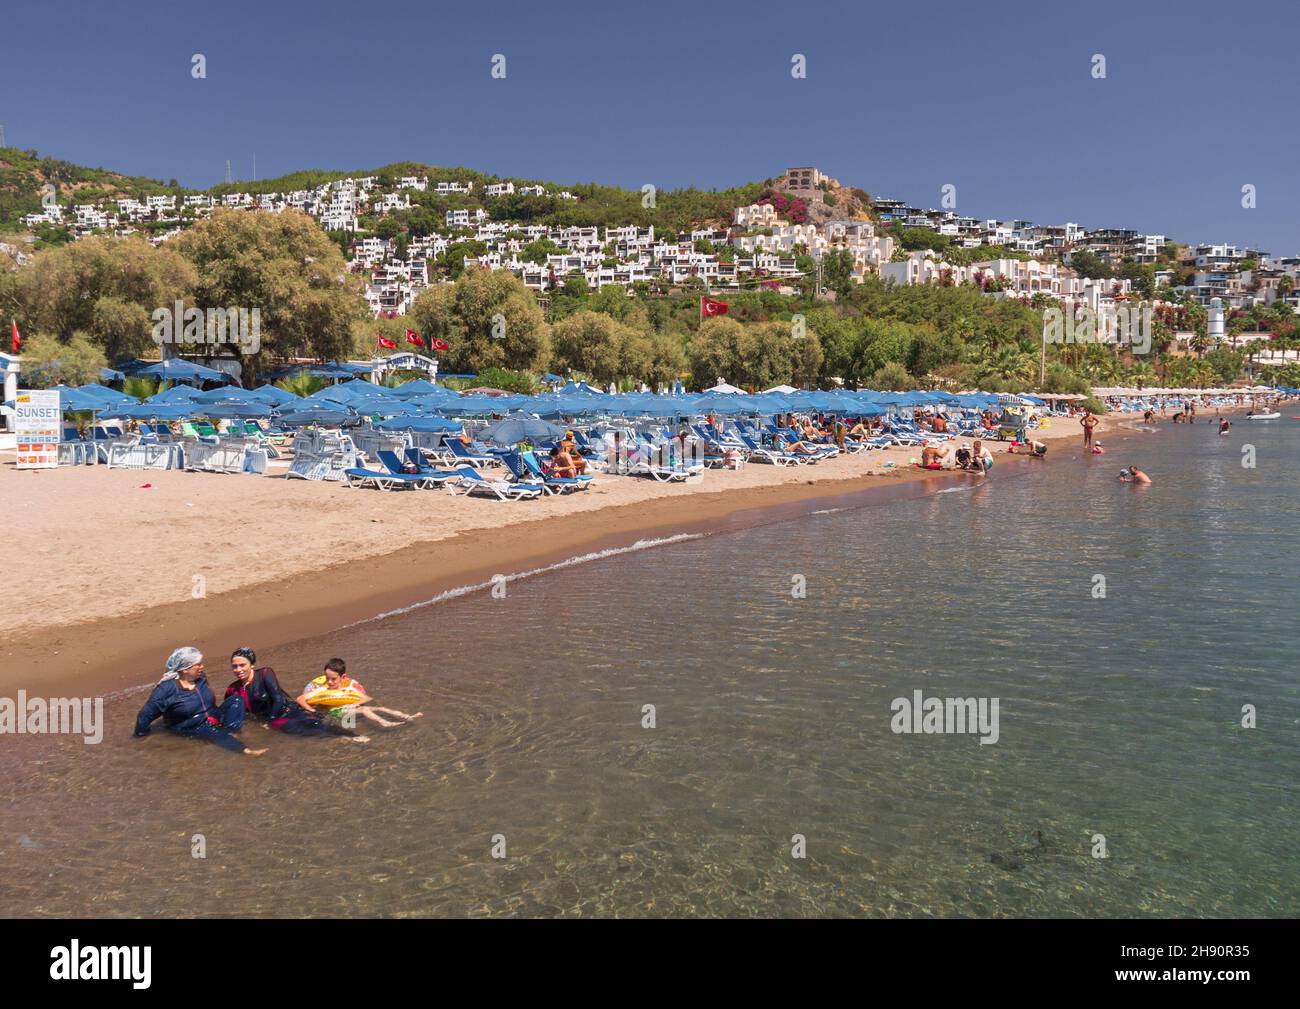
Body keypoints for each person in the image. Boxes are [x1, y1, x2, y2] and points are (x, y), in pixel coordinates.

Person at [134, 647, 266, 756]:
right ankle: (246, 751)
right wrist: (142, 737)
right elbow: (145, 715)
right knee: (213, 732)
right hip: (192, 725)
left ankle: (231, 732)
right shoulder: (166, 689)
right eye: (198, 665)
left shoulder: (201, 677)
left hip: (213, 715)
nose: (202, 667)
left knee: (236, 700)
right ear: (185, 669)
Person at [226, 647, 367, 742]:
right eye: (235, 666)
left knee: (316, 722)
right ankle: (340, 737)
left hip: (289, 710)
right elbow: (232, 711)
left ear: (252, 664)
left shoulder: (264, 673)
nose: (238, 669)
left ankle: (351, 735)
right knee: (302, 732)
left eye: (242, 665)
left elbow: (278, 698)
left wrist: (269, 720)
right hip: (276, 721)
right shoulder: (233, 689)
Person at [298, 658, 422, 729]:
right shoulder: (323, 689)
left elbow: (364, 698)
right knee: (365, 711)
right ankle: (384, 723)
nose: (329, 682)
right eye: (327, 678)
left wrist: (353, 704)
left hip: (347, 708)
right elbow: (300, 699)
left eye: (333, 679)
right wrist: (311, 710)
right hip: (334, 711)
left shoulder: (350, 686)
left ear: (343, 677)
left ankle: (407, 716)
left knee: (379, 708)